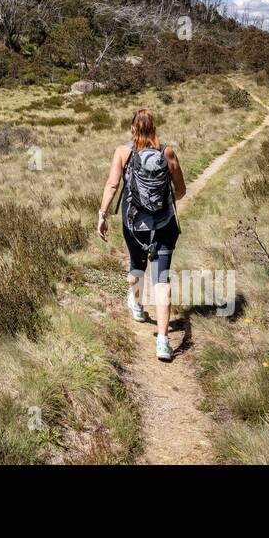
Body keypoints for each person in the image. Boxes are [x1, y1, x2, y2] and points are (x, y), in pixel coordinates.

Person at [97, 109, 187, 361]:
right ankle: (162, 341)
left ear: (133, 129)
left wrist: (103, 214)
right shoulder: (167, 152)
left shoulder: (123, 152)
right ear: (154, 128)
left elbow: (112, 185)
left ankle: (137, 307)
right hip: (164, 225)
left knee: (136, 265)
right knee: (162, 279)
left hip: (134, 225)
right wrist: (163, 202)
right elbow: (180, 190)